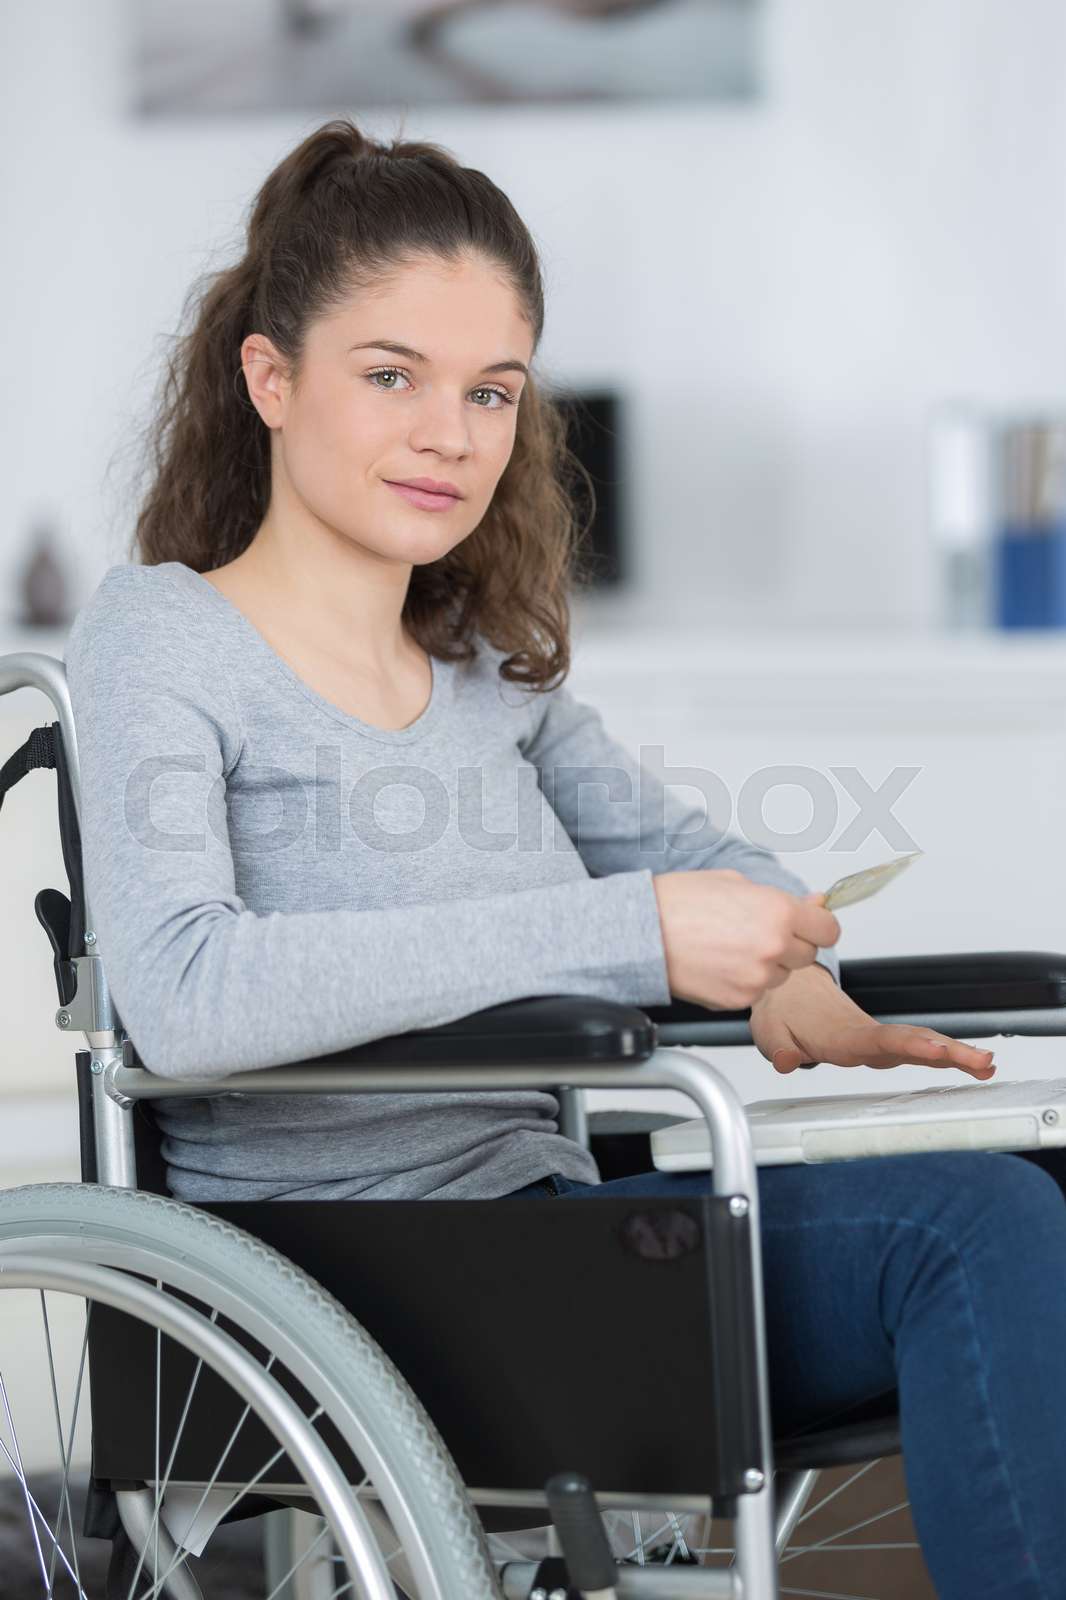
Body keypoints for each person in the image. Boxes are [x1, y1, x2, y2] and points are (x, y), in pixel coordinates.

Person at [65, 118, 1066, 1597]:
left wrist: (791, 963)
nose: (449, 435)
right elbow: (187, 995)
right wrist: (631, 933)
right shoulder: (164, 638)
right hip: (355, 1276)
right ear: (269, 380)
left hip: (552, 1243)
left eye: (491, 391)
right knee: (966, 1224)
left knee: (1043, 1186)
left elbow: (688, 859)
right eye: (390, 375)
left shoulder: (477, 668)